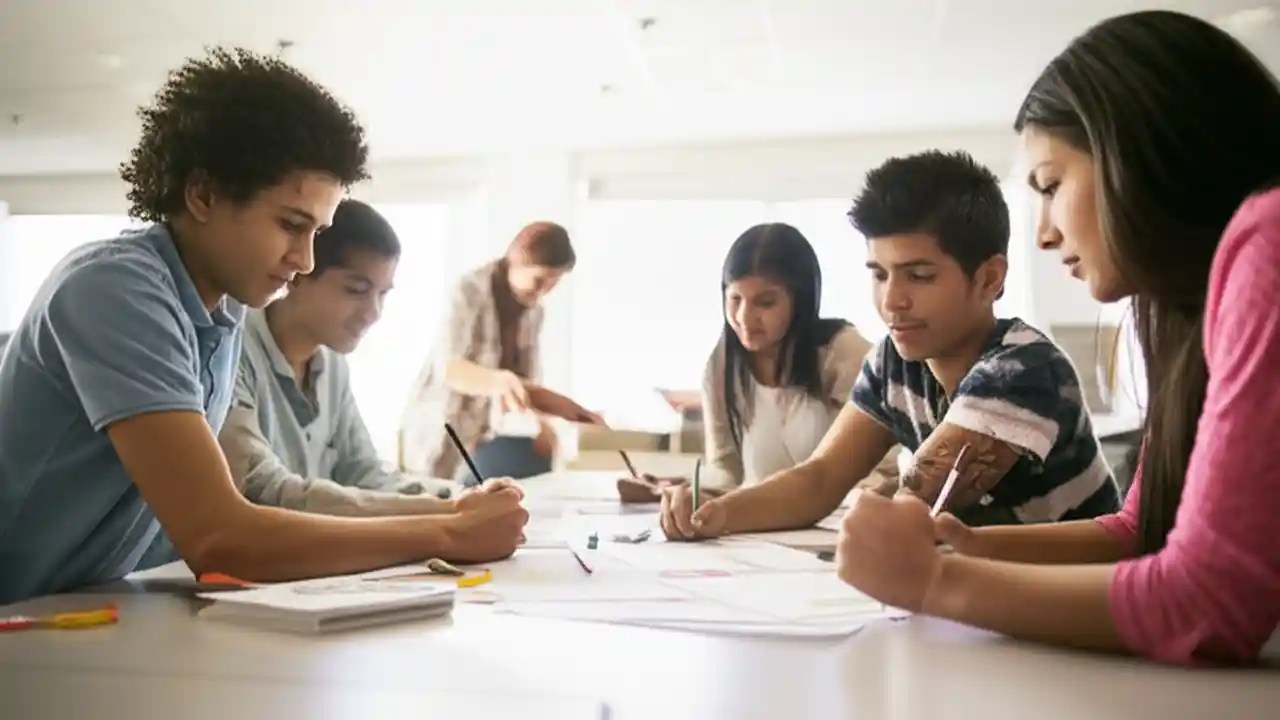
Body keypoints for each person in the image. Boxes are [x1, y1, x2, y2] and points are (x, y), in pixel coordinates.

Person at [833, 10, 1280, 666]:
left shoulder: (1267, 242)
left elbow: (1209, 601)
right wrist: (967, 548)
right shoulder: (1189, 316)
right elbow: (1140, 530)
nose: (1043, 232)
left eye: (1050, 185)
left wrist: (935, 580)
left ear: (1138, 148)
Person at [0, 48, 526, 605]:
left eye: (316, 234)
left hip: (73, 612)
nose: (303, 260)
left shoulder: (220, 314)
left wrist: (451, 516)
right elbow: (221, 537)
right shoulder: (116, 287)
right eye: (290, 225)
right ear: (201, 195)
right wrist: (448, 532)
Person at [659, 150, 1118, 541]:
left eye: (919, 276)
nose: (892, 301)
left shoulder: (1022, 367)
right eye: (879, 274)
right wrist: (719, 514)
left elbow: (912, 508)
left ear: (989, 278)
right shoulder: (894, 362)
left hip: (1072, 614)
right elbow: (819, 480)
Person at [620, 223, 894, 503]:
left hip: (837, 525)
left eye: (765, 303)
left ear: (799, 300)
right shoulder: (721, 365)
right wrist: (679, 489)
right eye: (735, 299)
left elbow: (880, 474)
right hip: (758, 530)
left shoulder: (843, 353)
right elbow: (727, 471)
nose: (745, 318)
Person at [218, 199, 455, 517]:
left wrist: (454, 497)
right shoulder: (229, 352)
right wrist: (439, 511)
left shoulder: (331, 365)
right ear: (298, 275)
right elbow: (260, 489)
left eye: (383, 293)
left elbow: (363, 472)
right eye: (356, 290)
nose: (373, 313)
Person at [400, 221, 604, 483]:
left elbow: (526, 381)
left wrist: (546, 422)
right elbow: (450, 369)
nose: (544, 290)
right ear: (514, 261)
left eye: (553, 283)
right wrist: (499, 381)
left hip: (480, 433)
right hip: (438, 425)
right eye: (539, 279)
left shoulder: (534, 311)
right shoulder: (469, 290)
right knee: (428, 501)